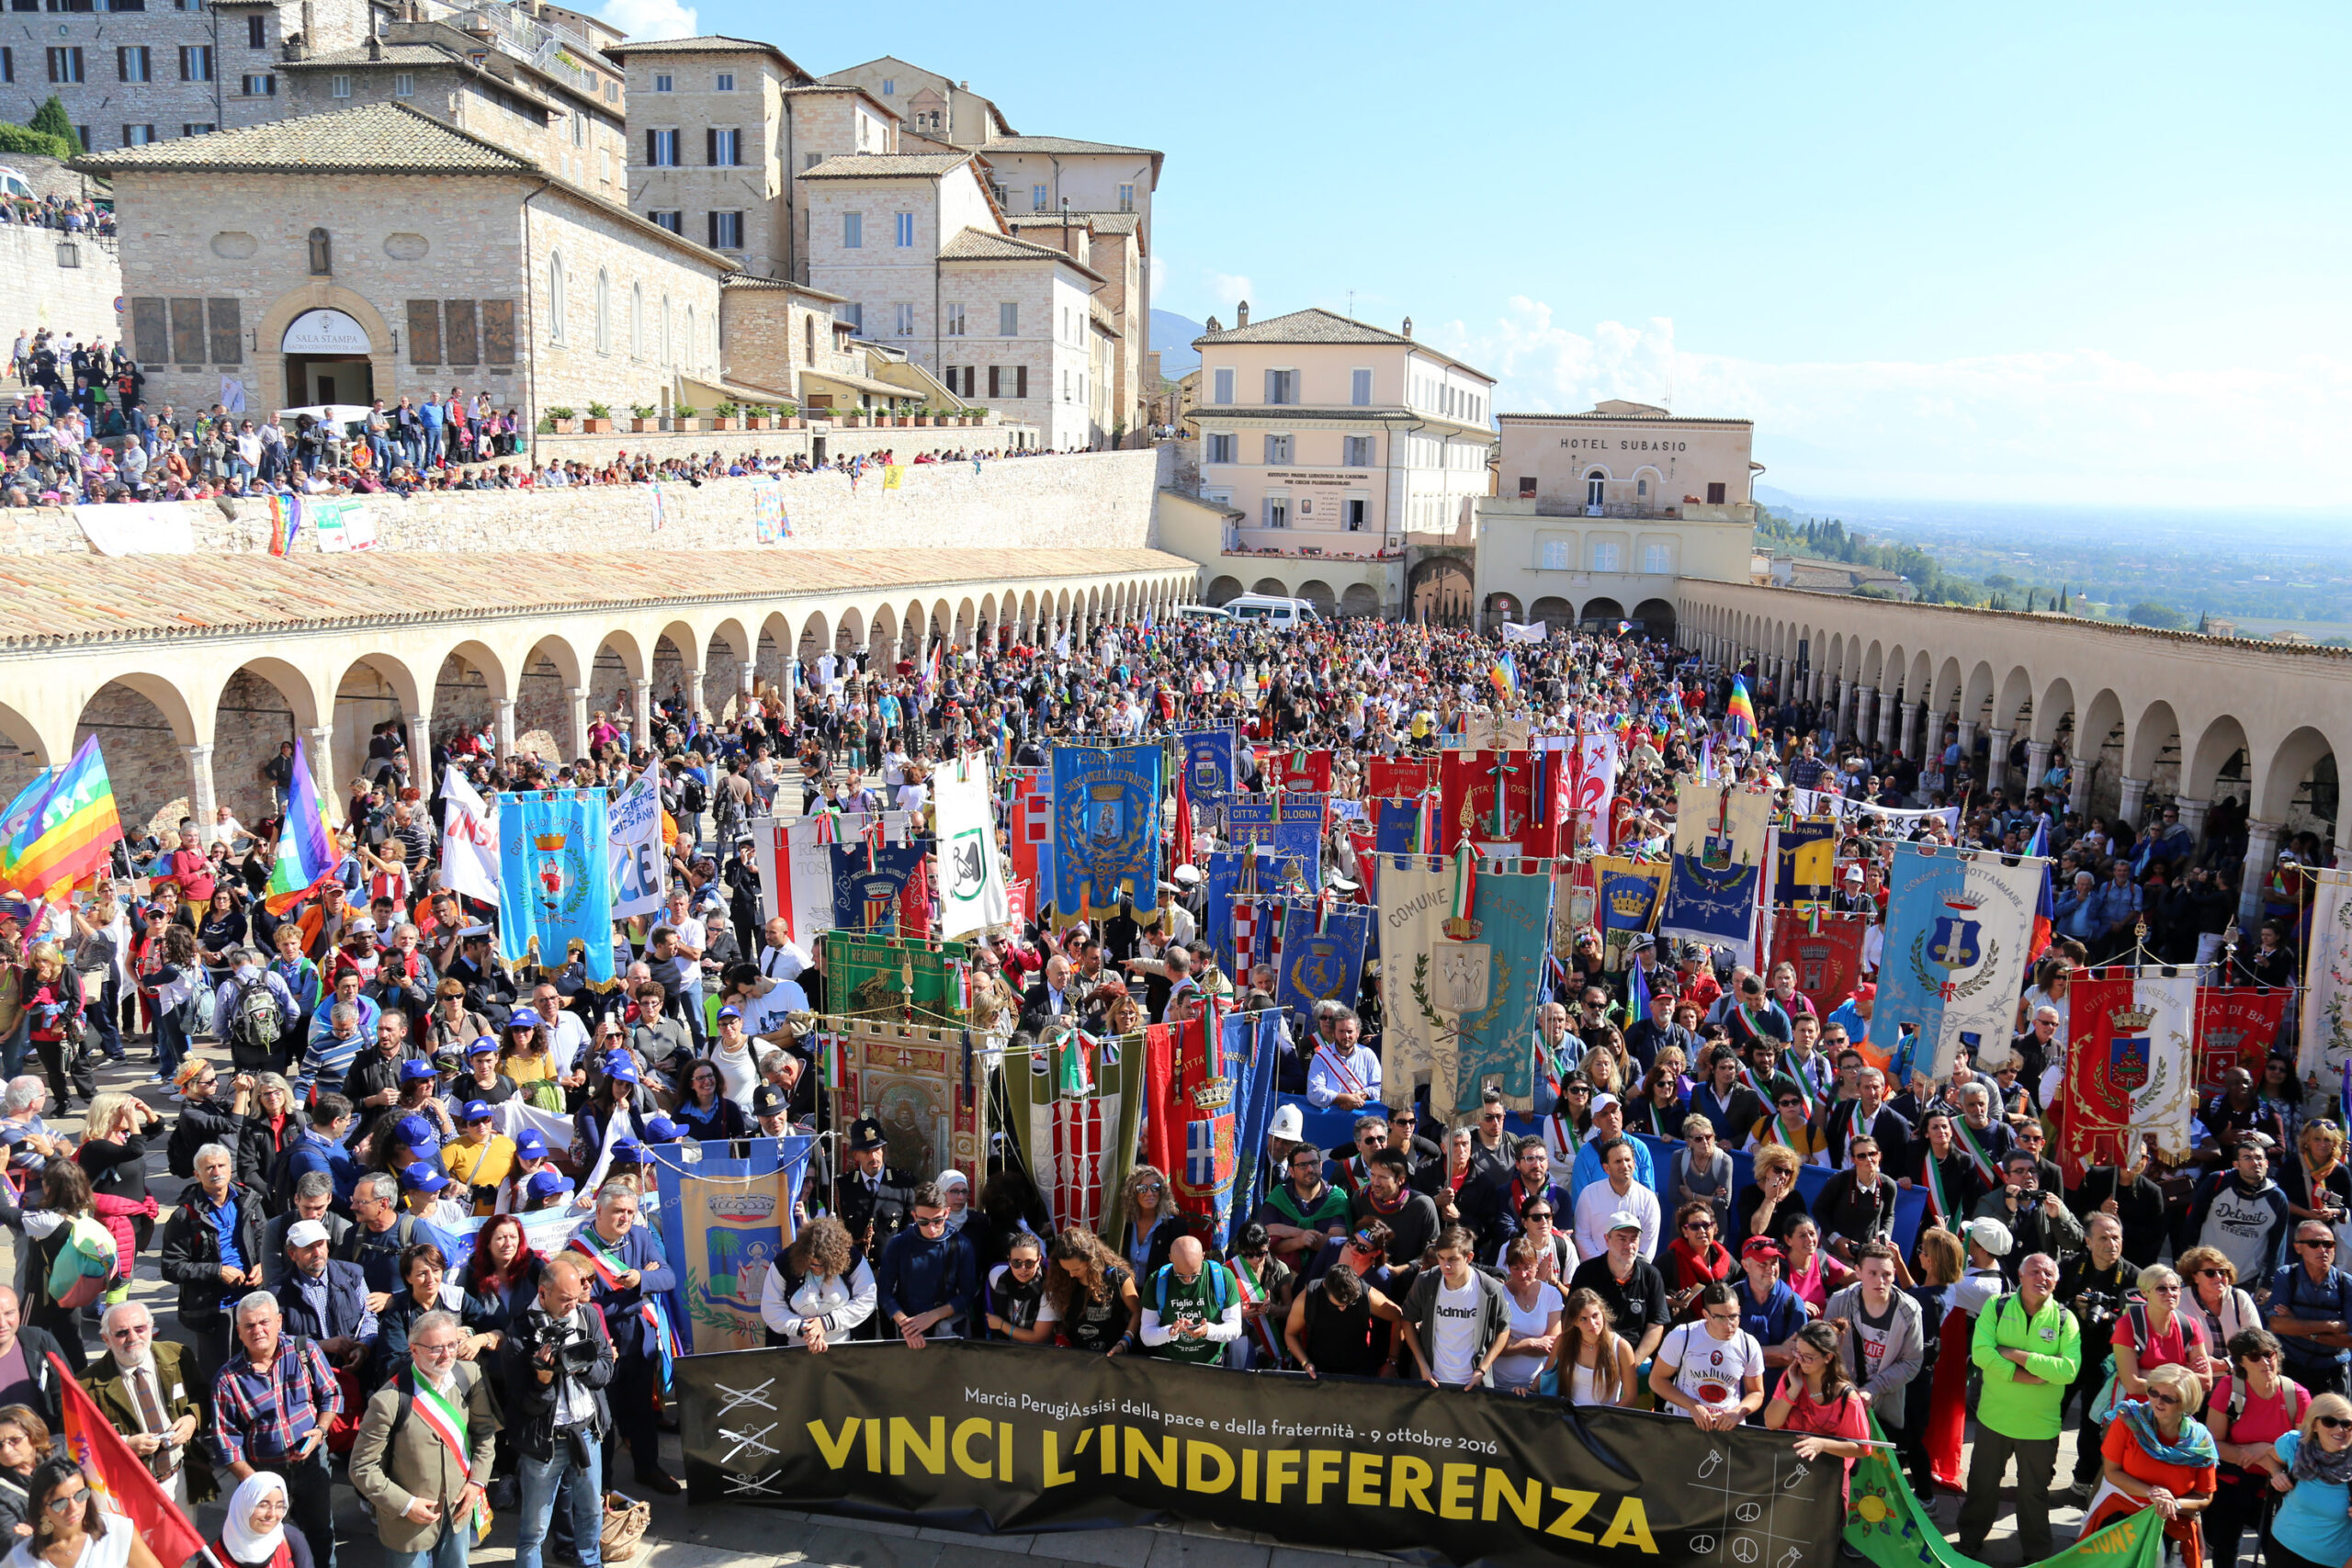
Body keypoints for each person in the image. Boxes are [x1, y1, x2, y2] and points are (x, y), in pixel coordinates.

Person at [1956, 1251, 2083, 1562]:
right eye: (2035, 1271)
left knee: (2034, 1496)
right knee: (1981, 1488)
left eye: (2049, 1274)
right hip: (1993, 1420)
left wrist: (2015, 1354)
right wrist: (2023, 1375)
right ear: (2021, 1276)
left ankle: (2037, 1555)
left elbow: (2068, 1371)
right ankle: (1969, 1543)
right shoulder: (1996, 1307)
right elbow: (1982, 1353)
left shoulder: (2066, 1319)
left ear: (2056, 1281)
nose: (2042, 1278)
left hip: (2040, 1427)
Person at [215, 1291, 344, 1568]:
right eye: (249, 1325)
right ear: (239, 1332)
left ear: (279, 1321)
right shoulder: (228, 1378)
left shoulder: (305, 1351)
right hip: (264, 1472)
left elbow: (331, 1395)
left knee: (321, 1535)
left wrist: (320, 1430)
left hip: (312, 1466)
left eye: (264, 1322)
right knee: (269, 1543)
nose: (257, 1330)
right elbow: (226, 1441)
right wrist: (258, 1485)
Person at [500, 1256, 613, 1568]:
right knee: (535, 1526)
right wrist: (544, 1379)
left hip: (587, 1432)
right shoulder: (520, 1335)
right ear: (543, 1292)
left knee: (591, 1511)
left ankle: (592, 1563)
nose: (572, 1306)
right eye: (565, 1300)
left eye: (577, 1298)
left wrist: (581, 1366)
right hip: (543, 1443)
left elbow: (606, 1372)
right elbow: (524, 1404)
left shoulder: (587, 1316)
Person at [565, 1182, 679, 1494]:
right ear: (599, 1211)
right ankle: (603, 1487)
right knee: (603, 1418)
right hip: (603, 1345)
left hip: (638, 1342)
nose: (625, 1217)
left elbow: (667, 1277)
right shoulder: (577, 1250)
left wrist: (642, 1277)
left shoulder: (641, 1237)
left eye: (630, 1212)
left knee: (643, 1410)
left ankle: (648, 1468)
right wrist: (639, 1295)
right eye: (618, 1211)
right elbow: (587, 1304)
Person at [2080, 1361, 2218, 1568]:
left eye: (2168, 1398)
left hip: (2172, 1527)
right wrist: (2152, 1493)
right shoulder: (2128, 1420)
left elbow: (2204, 1497)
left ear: (2186, 1402)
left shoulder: (2201, 1441)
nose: (2157, 1401)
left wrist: (2173, 1504)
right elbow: (2112, 1472)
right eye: (2153, 1392)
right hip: (2120, 1522)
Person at [156, 1140, 266, 1389]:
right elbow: (171, 1267)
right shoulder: (185, 1215)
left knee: (254, 1367)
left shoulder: (249, 1201)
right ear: (197, 1174)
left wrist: (262, 1265)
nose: (216, 1172)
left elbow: (264, 1240)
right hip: (212, 1308)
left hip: (250, 1298)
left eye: (221, 1166)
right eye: (209, 1168)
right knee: (217, 1376)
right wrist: (217, 1271)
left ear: (231, 1169)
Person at [84, 1303, 209, 1511]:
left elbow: (203, 1396)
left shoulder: (178, 1356)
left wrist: (192, 1419)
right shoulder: (87, 1385)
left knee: (185, 1543)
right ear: (106, 1339)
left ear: (151, 1328)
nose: (133, 1338)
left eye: (139, 1328)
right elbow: (82, 1440)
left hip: (179, 1480)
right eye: (122, 1333)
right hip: (129, 1490)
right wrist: (125, 1445)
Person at [2204, 1327, 2309, 1568]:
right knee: (2225, 1553)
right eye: (2254, 1356)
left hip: (2278, 1487)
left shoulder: (2297, 1395)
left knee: (2278, 1556)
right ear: (2241, 1362)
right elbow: (2212, 1444)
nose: (2265, 1361)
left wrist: (2264, 1451)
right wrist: (2267, 1459)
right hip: (2233, 1481)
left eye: (2269, 1354)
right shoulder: (2230, 1389)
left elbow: (2305, 1449)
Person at [1762, 1321, 1873, 1503]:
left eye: (1809, 1356)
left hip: (1829, 1480)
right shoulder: (1792, 1378)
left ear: (1828, 1357)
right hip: (1788, 1472)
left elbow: (1862, 1447)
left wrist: (1822, 1444)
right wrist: (1793, 1391)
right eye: (1798, 1353)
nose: (1800, 1360)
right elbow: (1771, 1422)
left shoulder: (1847, 1397)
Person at [1399, 1228, 1510, 1391]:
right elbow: (1407, 1319)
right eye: (1441, 1258)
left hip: (1473, 1386)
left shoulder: (1489, 1288)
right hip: (1432, 1383)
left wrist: (1482, 1369)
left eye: (1453, 1259)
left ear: (1469, 1257)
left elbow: (1504, 1329)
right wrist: (1422, 1365)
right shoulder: (1426, 1282)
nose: (1446, 1266)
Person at [6, 1454, 164, 1568]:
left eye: (81, 1495)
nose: (73, 1508)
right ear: (41, 1507)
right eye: (60, 1503)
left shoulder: (116, 1530)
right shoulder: (21, 1557)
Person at [2251, 1391, 2352, 1568]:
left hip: (2332, 1561)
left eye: (2347, 1424)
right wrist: (2277, 1474)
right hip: (2283, 1548)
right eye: (2330, 1422)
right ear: (2314, 1425)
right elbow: (2268, 1457)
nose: (2340, 1430)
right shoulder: (2294, 1444)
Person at [1651, 1280, 1766, 1430]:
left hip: (1727, 1429)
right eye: (1720, 1318)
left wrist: (1738, 1412)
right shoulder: (1683, 1336)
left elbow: (1756, 1392)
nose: (1728, 1324)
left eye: (1733, 1316)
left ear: (1739, 1310)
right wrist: (1692, 1406)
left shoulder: (1748, 1344)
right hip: (1686, 1424)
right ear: (1706, 1314)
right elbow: (1657, 1380)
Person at [875, 1181, 976, 1350]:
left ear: (947, 1213)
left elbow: (967, 1295)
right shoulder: (899, 1244)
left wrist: (934, 1316)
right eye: (924, 1221)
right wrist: (907, 1325)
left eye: (938, 1221)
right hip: (909, 1330)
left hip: (946, 1330)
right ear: (914, 1216)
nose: (932, 1228)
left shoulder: (961, 1245)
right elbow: (884, 1292)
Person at [1567, 1211, 1670, 1368]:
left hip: (1636, 1361)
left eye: (1634, 1238)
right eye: (1622, 1238)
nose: (1629, 1245)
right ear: (1606, 1239)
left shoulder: (1651, 1275)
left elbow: (1656, 1326)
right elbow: (1571, 1320)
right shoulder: (1586, 1272)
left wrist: (1632, 1363)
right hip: (1592, 1358)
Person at [760, 1215, 876, 1349]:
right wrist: (805, 1329)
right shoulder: (784, 1261)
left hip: (844, 1350)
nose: (817, 1269)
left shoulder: (852, 1258)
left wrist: (826, 1323)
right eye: (812, 1264)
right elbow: (771, 1308)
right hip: (794, 1351)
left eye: (823, 1265)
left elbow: (867, 1298)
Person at [2267, 1219, 2352, 1396]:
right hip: (2291, 1368)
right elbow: (2277, 1325)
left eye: (2329, 1244)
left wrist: (2299, 1328)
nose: (2323, 1250)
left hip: (2333, 1373)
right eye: (2314, 1244)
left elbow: (2349, 1340)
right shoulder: (2286, 1275)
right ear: (2298, 1248)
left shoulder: (2346, 1284)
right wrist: (2330, 1326)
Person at [1138, 1236, 1239, 1366]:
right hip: (1170, 1367)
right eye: (1180, 1274)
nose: (1188, 1280)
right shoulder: (1156, 1281)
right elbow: (1146, 1335)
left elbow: (1235, 1328)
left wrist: (1208, 1331)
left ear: (1203, 1256)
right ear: (1171, 1258)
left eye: (1194, 1274)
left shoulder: (1223, 1277)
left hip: (1212, 1367)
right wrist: (1170, 1331)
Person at [1044, 1228, 1136, 1354]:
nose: (1071, 1274)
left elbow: (1137, 1313)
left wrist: (1125, 1342)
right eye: (1067, 1270)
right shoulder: (1062, 1280)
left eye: (1076, 1269)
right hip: (1075, 1356)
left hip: (1111, 1356)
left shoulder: (1118, 1279)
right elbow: (1062, 1320)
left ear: (1090, 1260)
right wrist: (1061, 1337)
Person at [1491, 1236, 1565, 1393]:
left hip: (1537, 1386)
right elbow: (1496, 1347)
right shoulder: (1498, 1295)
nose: (1523, 1274)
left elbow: (1552, 1346)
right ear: (1508, 1268)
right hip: (1500, 1385)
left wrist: (1513, 1343)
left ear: (1537, 1264)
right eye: (1516, 1268)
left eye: (1528, 1267)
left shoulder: (1551, 1295)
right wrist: (1532, 1342)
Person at [1550, 1287, 1640, 1407]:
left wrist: (1602, 1419)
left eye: (1595, 1315)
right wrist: (1528, 1392)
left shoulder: (1621, 1347)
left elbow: (1631, 1397)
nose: (1592, 1323)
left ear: (1603, 1313)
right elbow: (1546, 1375)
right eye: (1583, 1319)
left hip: (1604, 1422)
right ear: (1575, 1322)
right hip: (1568, 1420)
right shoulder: (1563, 1341)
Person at [978, 1232, 1055, 1347]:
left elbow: (1039, 1337)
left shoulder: (1048, 1291)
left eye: (1029, 1263)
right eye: (1016, 1262)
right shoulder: (997, 1276)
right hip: (1002, 1348)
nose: (1023, 1269)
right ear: (1009, 1260)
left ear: (1039, 1260)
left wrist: (1002, 1325)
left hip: (1038, 1353)